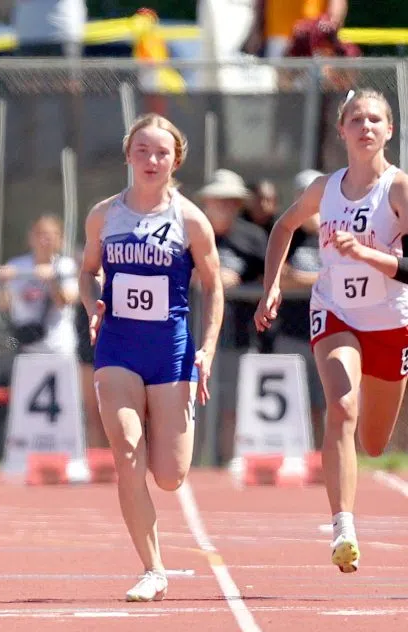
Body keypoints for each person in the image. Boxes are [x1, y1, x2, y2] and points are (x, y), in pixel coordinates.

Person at [256, 89, 408, 574]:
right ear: (341, 130)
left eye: (375, 120)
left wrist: (367, 254)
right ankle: (343, 524)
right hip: (336, 312)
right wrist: (271, 287)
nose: (365, 127)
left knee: (375, 442)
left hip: (390, 322)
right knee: (341, 405)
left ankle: (355, 470)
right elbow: (282, 227)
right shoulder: (326, 188)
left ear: (389, 131)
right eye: (356, 119)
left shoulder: (399, 189)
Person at [78, 113, 224, 602]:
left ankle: (155, 551)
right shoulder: (103, 216)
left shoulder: (190, 220)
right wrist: (90, 301)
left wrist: (206, 348)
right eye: (141, 150)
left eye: (160, 152)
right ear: (127, 155)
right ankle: (153, 568)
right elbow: (86, 272)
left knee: (169, 475)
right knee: (125, 454)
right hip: (118, 346)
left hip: (171, 351)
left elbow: (214, 286)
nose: (151, 160)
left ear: (175, 159)